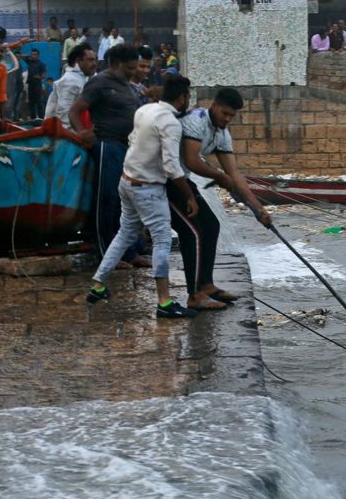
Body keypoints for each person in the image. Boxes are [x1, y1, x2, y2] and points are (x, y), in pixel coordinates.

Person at [85, 75, 199, 320]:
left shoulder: (145, 110)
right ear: (182, 98)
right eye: (188, 97)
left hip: (127, 181)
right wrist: (189, 195)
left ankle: (98, 285)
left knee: (124, 234)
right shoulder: (171, 123)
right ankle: (164, 302)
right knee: (162, 241)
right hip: (148, 187)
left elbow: (133, 140)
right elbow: (172, 168)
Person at [171, 86, 272, 311]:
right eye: (224, 113)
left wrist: (258, 210)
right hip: (165, 178)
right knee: (192, 233)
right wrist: (219, 176)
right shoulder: (196, 120)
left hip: (182, 179)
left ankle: (206, 284)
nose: (227, 119)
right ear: (214, 106)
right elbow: (190, 160)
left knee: (211, 225)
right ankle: (194, 294)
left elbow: (234, 175)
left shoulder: (222, 133)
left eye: (232, 116)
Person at [69, 44, 146, 269]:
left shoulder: (126, 85)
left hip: (126, 147)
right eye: (130, 68)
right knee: (107, 200)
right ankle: (105, 254)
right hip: (106, 146)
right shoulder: (99, 82)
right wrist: (81, 132)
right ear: (117, 64)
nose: (134, 72)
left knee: (126, 202)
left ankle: (128, 252)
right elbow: (75, 110)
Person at [43, 41, 94, 127]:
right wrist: (75, 137)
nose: (94, 63)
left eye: (94, 59)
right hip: (67, 135)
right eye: (90, 60)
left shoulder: (86, 77)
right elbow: (65, 117)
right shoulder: (69, 81)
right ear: (78, 61)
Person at [24, 47, 46, 117]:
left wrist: (39, 77)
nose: (33, 56)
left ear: (38, 55)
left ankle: (41, 118)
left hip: (37, 85)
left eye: (35, 54)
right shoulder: (30, 62)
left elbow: (43, 75)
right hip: (30, 85)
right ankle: (33, 118)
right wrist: (29, 56)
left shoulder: (41, 64)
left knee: (38, 102)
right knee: (31, 103)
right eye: (32, 54)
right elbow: (21, 56)